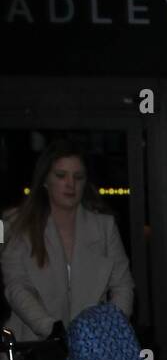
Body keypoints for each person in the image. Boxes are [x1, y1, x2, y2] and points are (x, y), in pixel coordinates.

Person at [0, 139, 134, 342]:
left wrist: (108, 328)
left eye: (78, 177)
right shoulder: (15, 224)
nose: (70, 184)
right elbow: (16, 286)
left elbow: (123, 285)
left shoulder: (105, 227)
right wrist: (52, 329)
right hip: (33, 351)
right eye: (61, 176)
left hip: (93, 348)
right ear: (45, 180)